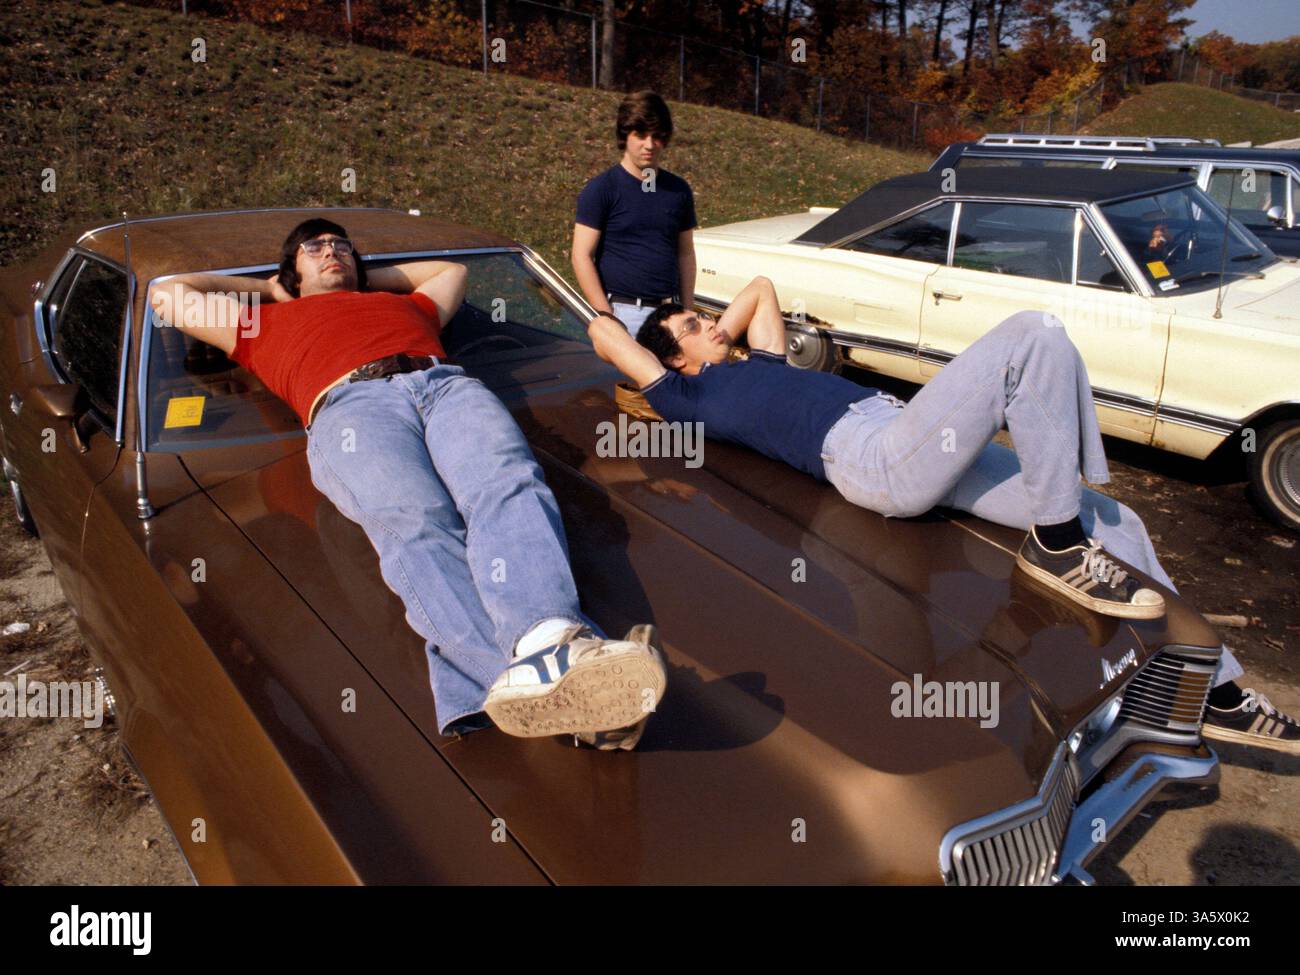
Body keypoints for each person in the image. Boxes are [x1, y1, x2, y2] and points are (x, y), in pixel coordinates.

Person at [588, 275, 1299, 752]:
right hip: (876, 455)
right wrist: (644, 328)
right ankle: (1055, 545)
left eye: (707, 317)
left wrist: (711, 329)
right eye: (695, 325)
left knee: (1116, 522)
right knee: (1034, 335)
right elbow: (609, 339)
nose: (714, 322)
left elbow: (761, 291)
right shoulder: (687, 397)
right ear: (673, 361)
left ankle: (1213, 690)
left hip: (911, 434)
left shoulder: (757, 365)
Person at [148, 218, 666, 751]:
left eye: (342, 246)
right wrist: (267, 289)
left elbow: (450, 270)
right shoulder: (257, 325)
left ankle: (548, 640)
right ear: (291, 269)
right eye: (315, 248)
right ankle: (534, 683)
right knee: (416, 522)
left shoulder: (410, 307)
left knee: (508, 486)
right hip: (351, 405)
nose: (332, 252)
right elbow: (168, 294)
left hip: (443, 385)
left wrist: (365, 275)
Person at [572, 90, 697, 338]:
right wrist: (606, 316)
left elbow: (685, 253)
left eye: (657, 136)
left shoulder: (678, 190)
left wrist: (688, 309)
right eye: (640, 135)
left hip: (670, 314)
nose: (649, 145)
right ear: (624, 135)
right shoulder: (602, 189)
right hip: (623, 313)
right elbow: (581, 256)